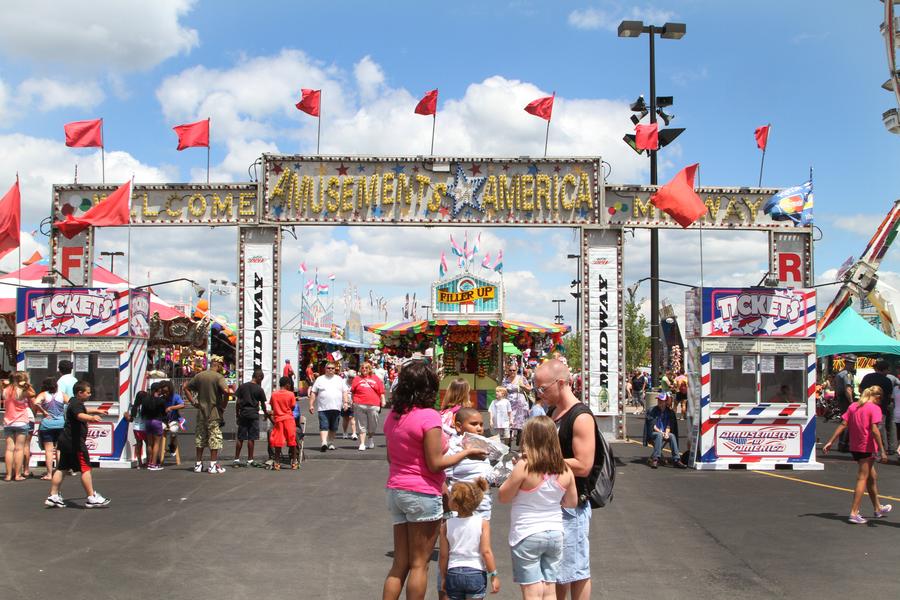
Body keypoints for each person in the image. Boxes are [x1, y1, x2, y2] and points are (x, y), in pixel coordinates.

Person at [382, 360, 487, 600]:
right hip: (422, 492)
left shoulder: (394, 416)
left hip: (396, 489)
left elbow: (391, 457)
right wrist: (467, 453)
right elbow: (435, 463)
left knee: (400, 564)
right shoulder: (428, 416)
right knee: (420, 564)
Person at [498, 416, 578, 599]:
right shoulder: (565, 469)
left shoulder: (524, 466)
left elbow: (503, 496)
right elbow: (571, 502)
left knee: (531, 591)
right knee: (549, 589)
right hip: (555, 532)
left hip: (527, 533)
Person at [536, 359, 595, 600]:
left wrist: (541, 461)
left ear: (561, 383)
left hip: (573, 506)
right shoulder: (553, 413)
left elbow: (583, 465)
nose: (539, 393)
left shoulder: (580, 417)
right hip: (553, 503)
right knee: (557, 571)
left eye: (542, 388)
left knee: (577, 569)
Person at [823, 387, 892, 523]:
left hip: (855, 446)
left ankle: (878, 508)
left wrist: (831, 441)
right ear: (877, 397)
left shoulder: (854, 406)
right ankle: (854, 513)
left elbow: (843, 424)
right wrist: (882, 450)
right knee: (862, 478)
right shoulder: (874, 408)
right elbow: (874, 430)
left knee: (872, 477)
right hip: (866, 447)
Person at [45, 381, 110, 508]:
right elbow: (79, 415)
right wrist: (92, 418)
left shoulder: (73, 402)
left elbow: (83, 410)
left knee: (62, 468)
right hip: (75, 443)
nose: (90, 394)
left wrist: (97, 411)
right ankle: (91, 497)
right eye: (88, 392)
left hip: (66, 441)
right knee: (85, 468)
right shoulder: (76, 404)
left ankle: (53, 495)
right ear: (80, 393)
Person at [438, 479, 500, 600]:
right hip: (476, 573)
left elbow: (443, 556)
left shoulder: (446, 525)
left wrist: (443, 577)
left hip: (453, 573)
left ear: (456, 504)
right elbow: (486, 552)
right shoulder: (483, 523)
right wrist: (493, 575)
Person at [182, 357, 231, 474]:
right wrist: (223, 406)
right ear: (219, 365)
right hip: (214, 412)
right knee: (214, 438)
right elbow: (226, 391)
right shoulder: (219, 377)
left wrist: (194, 402)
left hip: (201, 412)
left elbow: (186, 388)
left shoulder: (200, 376)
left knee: (200, 437)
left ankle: (198, 464)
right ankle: (213, 465)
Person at [445, 407, 494, 520]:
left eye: (481, 425)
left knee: (482, 531)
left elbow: (485, 473)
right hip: (461, 507)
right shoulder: (453, 448)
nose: (479, 428)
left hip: (483, 505)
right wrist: (448, 507)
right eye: (474, 424)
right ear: (459, 426)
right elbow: (445, 479)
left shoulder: (483, 446)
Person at [859, 359, 896, 462]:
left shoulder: (867, 377)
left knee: (865, 429)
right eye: (887, 370)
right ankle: (880, 452)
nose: (888, 372)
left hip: (865, 407)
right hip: (880, 409)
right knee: (879, 430)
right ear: (884, 370)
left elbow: (860, 390)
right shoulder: (887, 381)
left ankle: (865, 451)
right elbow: (889, 395)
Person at [309, 361, 349, 452]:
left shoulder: (339, 379)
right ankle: (324, 442)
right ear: (325, 369)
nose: (330, 369)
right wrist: (311, 404)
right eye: (328, 368)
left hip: (336, 407)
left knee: (333, 427)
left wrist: (346, 403)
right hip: (323, 408)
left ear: (335, 370)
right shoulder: (320, 379)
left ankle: (330, 442)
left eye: (332, 368)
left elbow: (345, 392)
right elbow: (314, 392)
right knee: (324, 425)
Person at [4, 372, 36, 482]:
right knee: (19, 449)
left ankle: (8, 475)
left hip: (8, 422)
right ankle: (17, 475)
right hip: (21, 421)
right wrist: (27, 385)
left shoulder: (6, 390)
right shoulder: (22, 391)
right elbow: (33, 394)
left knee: (9, 449)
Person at [34, 377, 68, 481]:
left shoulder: (43, 394)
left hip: (47, 425)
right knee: (59, 450)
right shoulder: (62, 394)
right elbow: (70, 402)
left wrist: (44, 411)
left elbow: (36, 402)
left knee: (48, 451)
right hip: (60, 424)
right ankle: (59, 471)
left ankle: (49, 474)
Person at [234, 370, 269, 467]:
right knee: (251, 438)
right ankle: (250, 459)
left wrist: (237, 415)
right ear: (258, 377)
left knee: (240, 438)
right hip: (253, 415)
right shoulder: (259, 389)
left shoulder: (243, 386)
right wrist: (266, 414)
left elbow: (237, 402)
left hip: (243, 414)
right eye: (261, 379)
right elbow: (263, 404)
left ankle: (236, 459)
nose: (261, 381)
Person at [643, 393, 686, 469]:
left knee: (672, 436)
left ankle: (676, 459)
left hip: (663, 432)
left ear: (666, 401)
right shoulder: (652, 410)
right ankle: (655, 459)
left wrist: (666, 433)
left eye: (661, 400)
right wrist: (661, 432)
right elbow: (652, 426)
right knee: (659, 435)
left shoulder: (670, 412)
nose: (659, 402)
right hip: (653, 433)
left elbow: (669, 425)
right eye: (658, 400)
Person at [351, 361, 386, 451]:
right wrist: (352, 402)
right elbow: (353, 391)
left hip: (373, 404)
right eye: (362, 368)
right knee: (361, 424)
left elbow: (381, 391)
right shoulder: (357, 378)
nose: (364, 369)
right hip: (359, 403)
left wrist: (383, 400)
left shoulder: (376, 378)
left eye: (366, 368)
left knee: (373, 424)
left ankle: (370, 437)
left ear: (370, 369)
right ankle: (362, 443)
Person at [269, 376, 299, 470]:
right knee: (292, 441)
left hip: (278, 419)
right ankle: (294, 462)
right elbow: (293, 407)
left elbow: (273, 407)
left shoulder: (274, 394)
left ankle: (277, 462)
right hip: (288, 419)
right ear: (287, 384)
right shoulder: (291, 394)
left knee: (278, 441)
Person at [503, 364, 532, 450]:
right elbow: (501, 391)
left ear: (517, 370)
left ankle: (519, 441)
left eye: (514, 370)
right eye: (510, 370)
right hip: (509, 405)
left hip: (520, 405)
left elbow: (529, 389)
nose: (512, 372)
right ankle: (508, 445)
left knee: (521, 424)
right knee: (509, 424)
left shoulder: (521, 378)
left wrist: (523, 386)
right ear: (508, 371)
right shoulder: (505, 380)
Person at [142, 384, 168, 471]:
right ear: (158, 390)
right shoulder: (161, 401)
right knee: (157, 443)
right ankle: (154, 464)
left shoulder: (145, 400)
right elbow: (164, 413)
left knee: (149, 443)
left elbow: (143, 412)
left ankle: (149, 462)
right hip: (157, 421)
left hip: (147, 421)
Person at [159, 381, 185, 462]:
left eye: (166, 392)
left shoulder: (176, 397)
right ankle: (159, 450)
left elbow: (182, 405)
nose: (165, 394)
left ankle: (172, 445)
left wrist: (171, 408)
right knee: (158, 429)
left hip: (174, 419)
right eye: (163, 392)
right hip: (163, 420)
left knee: (173, 430)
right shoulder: (161, 398)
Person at [833, 362, 855, 452]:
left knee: (844, 420)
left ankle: (842, 444)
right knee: (847, 421)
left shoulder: (840, 373)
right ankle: (844, 444)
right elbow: (848, 389)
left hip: (841, 398)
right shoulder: (847, 374)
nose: (853, 366)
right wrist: (851, 402)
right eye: (853, 364)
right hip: (845, 399)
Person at [124, 390, 148, 469]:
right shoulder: (146, 406)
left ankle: (139, 463)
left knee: (139, 444)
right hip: (145, 428)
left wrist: (126, 416)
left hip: (136, 428)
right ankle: (148, 462)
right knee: (148, 444)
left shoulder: (134, 408)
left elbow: (131, 420)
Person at [340, 366, 358, 441]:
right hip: (344, 402)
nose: (351, 379)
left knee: (352, 418)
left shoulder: (356, 382)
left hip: (353, 402)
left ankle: (354, 433)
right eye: (350, 377)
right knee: (346, 418)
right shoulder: (343, 382)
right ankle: (345, 432)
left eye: (353, 377)